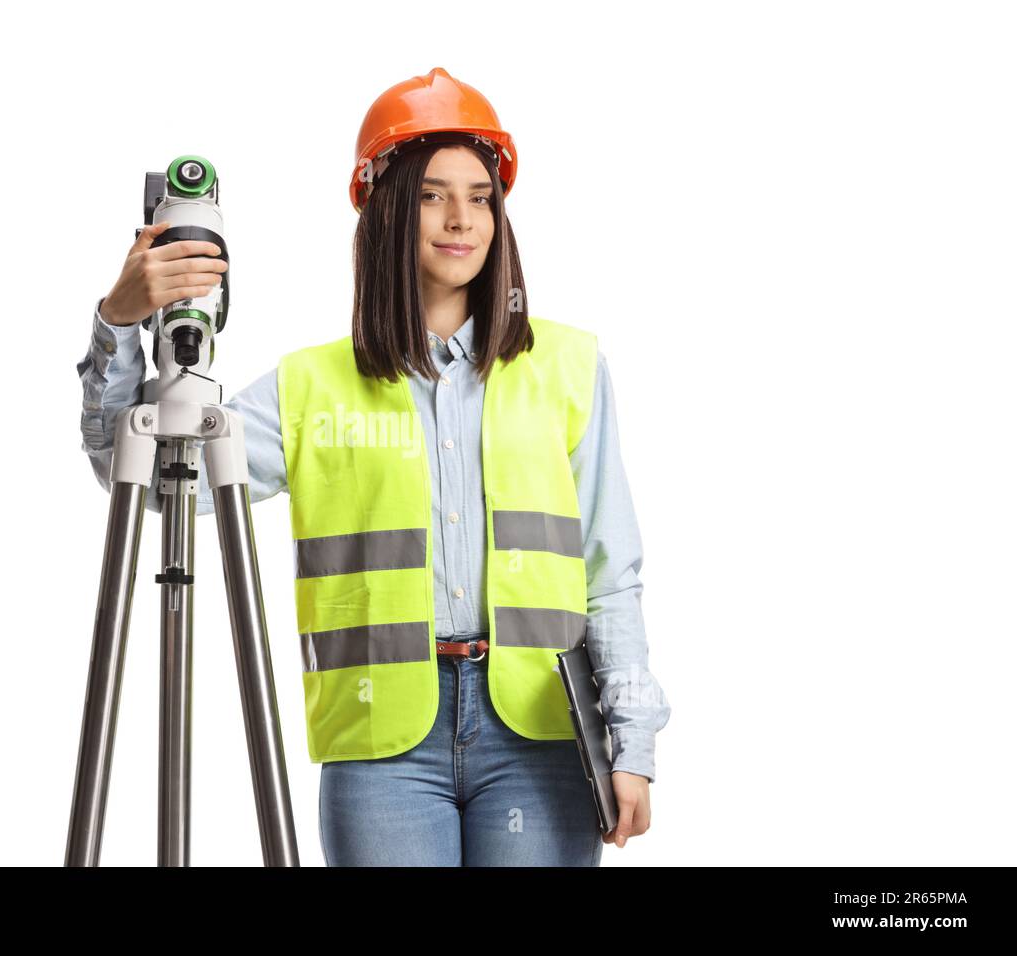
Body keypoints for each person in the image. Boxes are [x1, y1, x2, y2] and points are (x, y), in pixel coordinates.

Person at [76, 67, 670, 867]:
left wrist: (631, 738)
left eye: (480, 194)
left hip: (541, 739)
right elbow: (132, 465)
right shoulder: (310, 388)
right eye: (431, 194)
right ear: (386, 209)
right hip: (383, 747)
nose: (461, 218)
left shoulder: (569, 367)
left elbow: (610, 570)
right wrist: (119, 320)